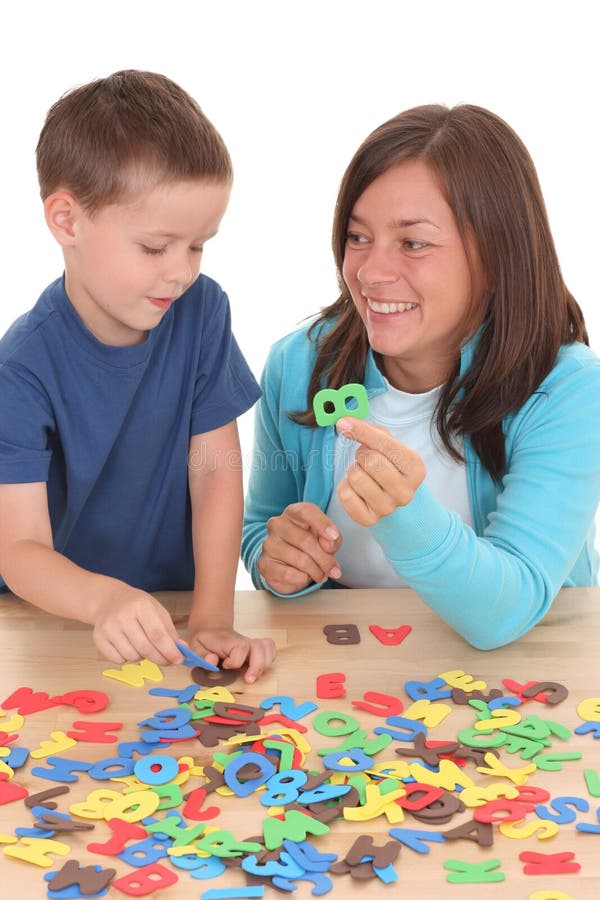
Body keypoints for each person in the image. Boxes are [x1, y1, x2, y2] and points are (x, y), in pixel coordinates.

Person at [242, 103, 600, 650]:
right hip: (350, 671)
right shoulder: (297, 365)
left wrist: (406, 517)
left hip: (524, 676)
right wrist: (278, 560)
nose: (370, 272)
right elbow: (261, 529)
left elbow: (507, 610)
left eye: (413, 243)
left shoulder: (567, 391)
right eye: (357, 237)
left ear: (496, 259)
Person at [0, 70, 275, 682]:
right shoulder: (20, 368)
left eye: (198, 245)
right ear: (67, 221)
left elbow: (215, 472)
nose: (181, 272)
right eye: (156, 248)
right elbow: (19, 549)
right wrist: (102, 601)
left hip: (174, 616)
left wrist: (213, 616)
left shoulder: (202, 311)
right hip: (54, 625)